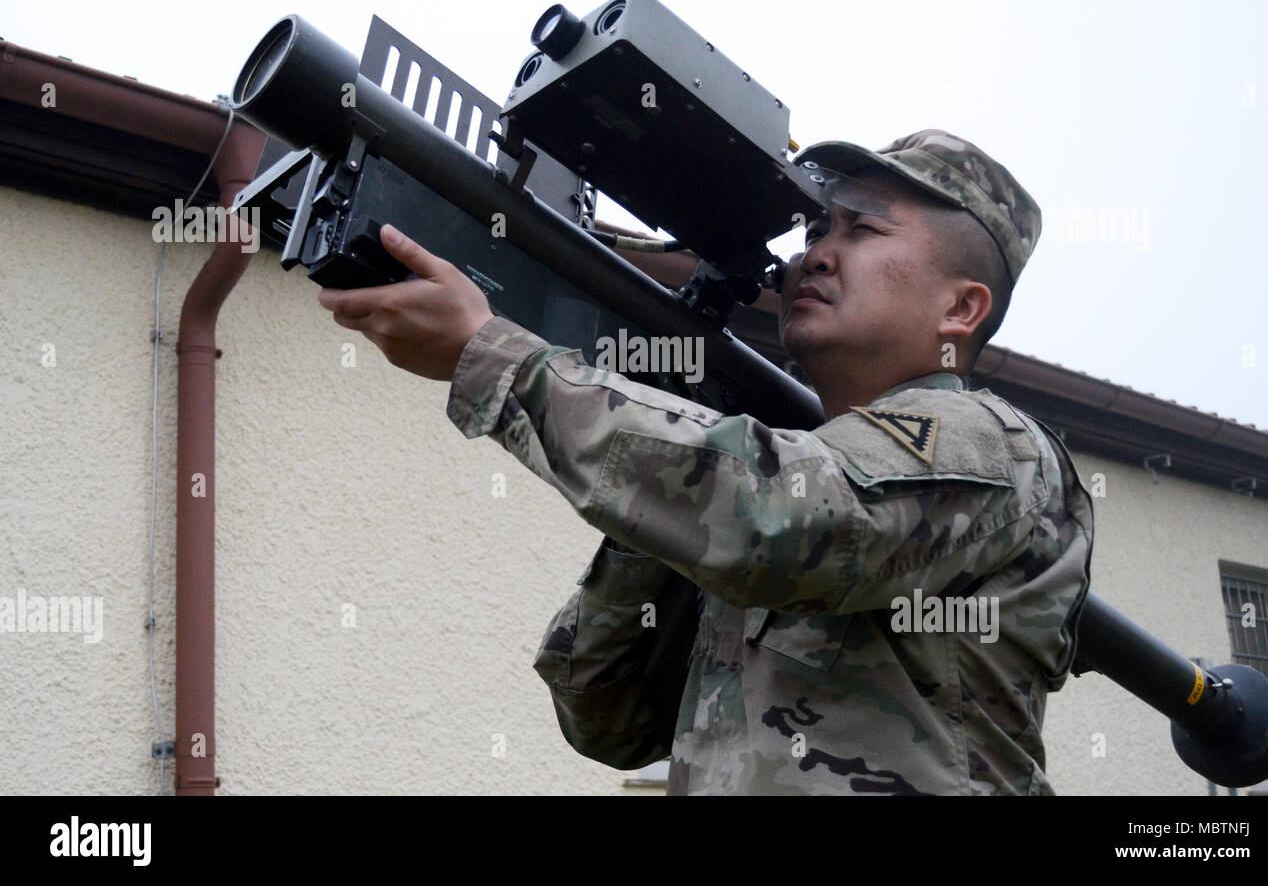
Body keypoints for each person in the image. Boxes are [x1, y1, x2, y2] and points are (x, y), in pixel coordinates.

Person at [318, 129, 1094, 796]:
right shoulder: (797, 462)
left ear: (961, 308)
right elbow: (607, 715)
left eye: (861, 231)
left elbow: (770, 516)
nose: (817, 254)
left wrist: (498, 362)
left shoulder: (994, 446)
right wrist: (653, 523)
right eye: (819, 228)